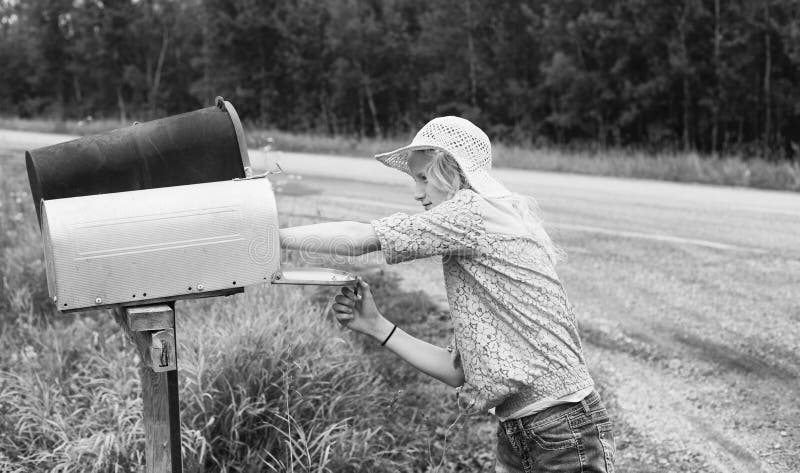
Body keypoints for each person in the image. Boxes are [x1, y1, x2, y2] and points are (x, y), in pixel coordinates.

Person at [278, 116, 616, 472]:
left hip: (562, 428)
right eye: (414, 179)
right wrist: (377, 326)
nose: (417, 192)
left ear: (452, 173)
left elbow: (362, 237)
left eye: (424, 177)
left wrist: (270, 236)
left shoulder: (473, 212)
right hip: (523, 430)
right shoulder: (473, 248)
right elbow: (457, 372)